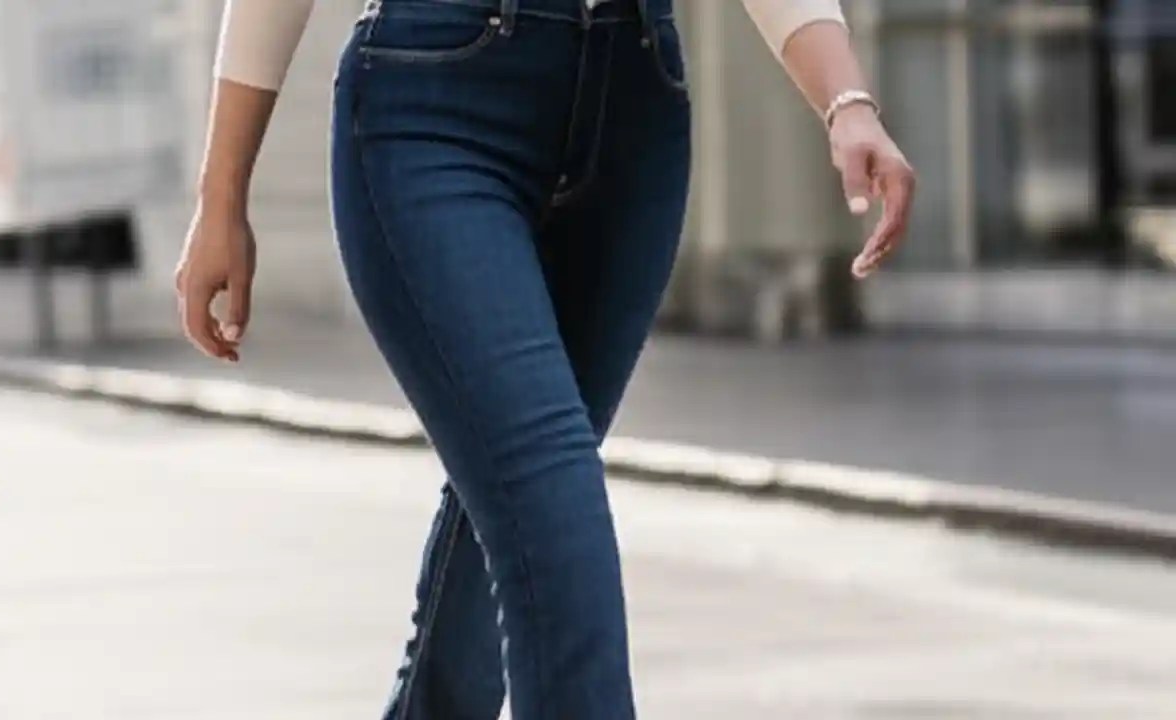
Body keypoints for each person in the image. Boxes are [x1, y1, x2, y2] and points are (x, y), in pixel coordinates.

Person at [175, 0, 916, 717]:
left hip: (635, 105)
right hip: (435, 105)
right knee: (551, 509)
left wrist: (845, 99)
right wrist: (221, 196)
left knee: (520, 506)